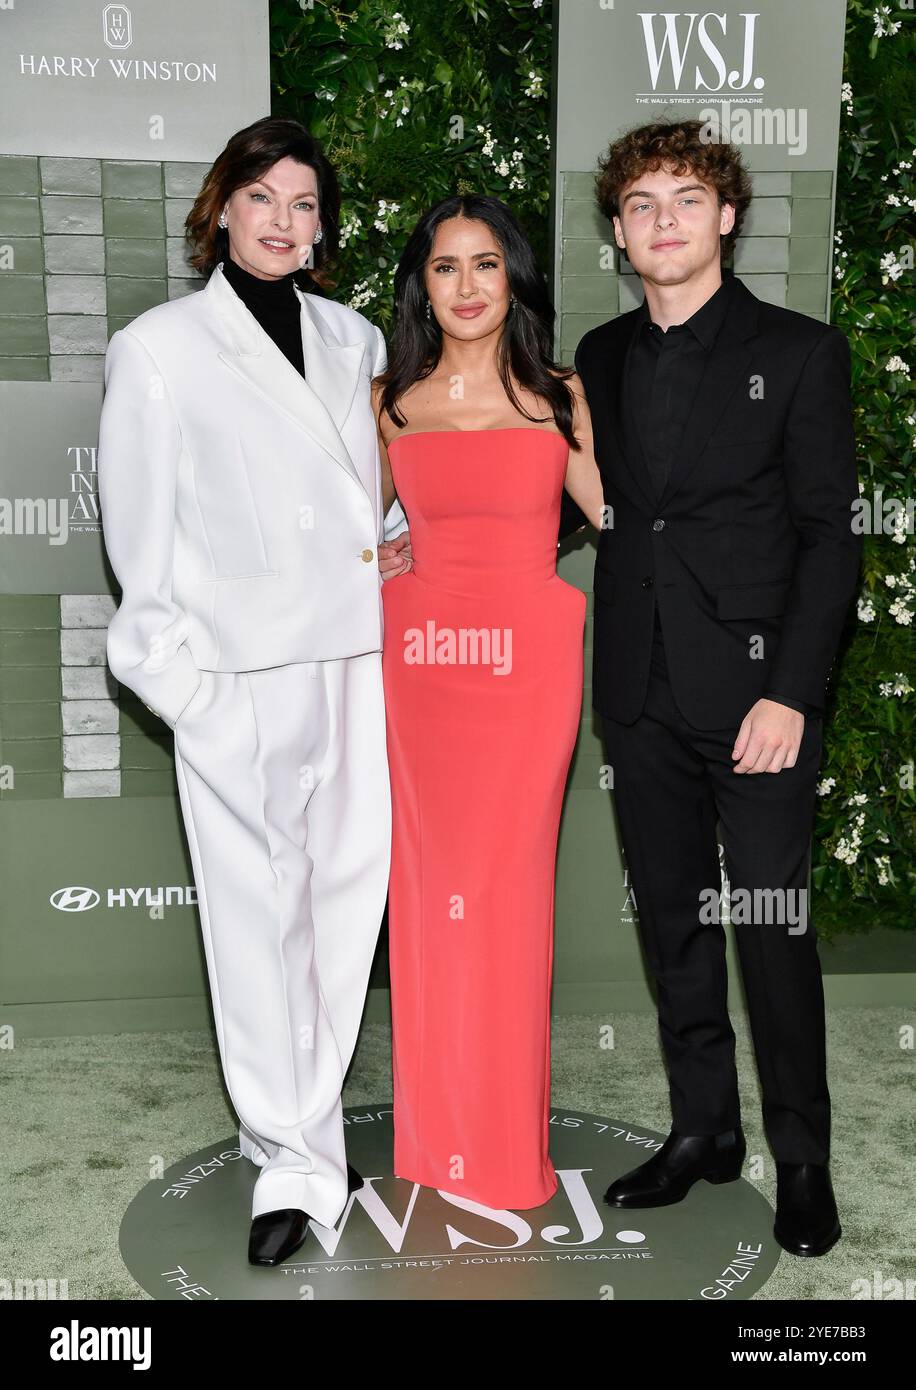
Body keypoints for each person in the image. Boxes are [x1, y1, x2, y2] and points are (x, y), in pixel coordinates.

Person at [97, 116, 402, 1267]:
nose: (284, 220)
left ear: (323, 225)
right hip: (238, 681)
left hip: (357, 669)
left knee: (338, 914)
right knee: (253, 928)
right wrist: (193, 695)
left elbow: (386, 503)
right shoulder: (160, 348)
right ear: (222, 207)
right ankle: (286, 1159)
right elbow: (142, 545)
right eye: (263, 197)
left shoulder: (357, 334)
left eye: (305, 203)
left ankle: (312, 1136)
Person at [557, 120, 862, 1257]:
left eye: (685, 198)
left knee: (770, 931)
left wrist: (789, 693)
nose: (664, 220)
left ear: (725, 215)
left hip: (755, 700)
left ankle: (803, 1157)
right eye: (641, 205)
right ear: (621, 232)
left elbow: (827, 541)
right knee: (675, 925)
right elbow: (578, 503)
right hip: (636, 688)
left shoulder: (797, 351)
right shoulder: (597, 355)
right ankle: (703, 1132)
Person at [374, 195, 605, 1210]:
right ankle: (435, 1139)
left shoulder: (561, 393)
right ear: (421, 285)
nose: (466, 287)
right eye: (443, 268)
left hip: (527, 667)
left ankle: (503, 1142)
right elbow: (336, 518)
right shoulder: (384, 398)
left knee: (507, 897)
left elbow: (622, 516)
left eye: (484, 265)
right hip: (417, 659)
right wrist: (379, 548)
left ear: (512, 279)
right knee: (428, 896)